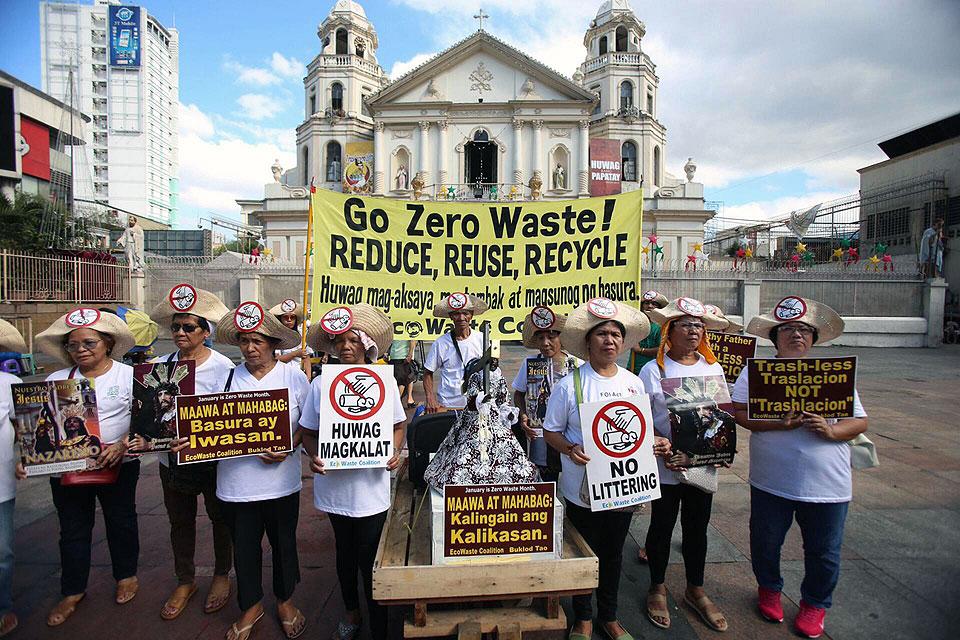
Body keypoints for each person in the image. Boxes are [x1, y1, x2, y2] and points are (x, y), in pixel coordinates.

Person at [731, 296, 867, 639]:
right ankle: (769, 589)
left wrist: (832, 430)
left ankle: (816, 603)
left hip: (828, 483)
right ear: (775, 338)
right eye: (789, 329)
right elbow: (741, 414)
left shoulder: (833, 375)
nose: (797, 335)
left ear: (813, 339)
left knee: (824, 550)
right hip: (771, 479)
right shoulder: (755, 372)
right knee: (765, 541)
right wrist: (781, 424)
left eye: (805, 330)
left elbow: (860, 421)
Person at [542, 297, 671, 640]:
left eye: (616, 334)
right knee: (585, 552)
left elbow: (638, 432)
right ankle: (583, 617)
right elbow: (550, 432)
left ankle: (609, 616)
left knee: (613, 554)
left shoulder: (633, 383)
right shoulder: (570, 385)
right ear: (588, 341)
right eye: (602, 334)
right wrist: (569, 448)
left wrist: (656, 443)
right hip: (582, 489)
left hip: (622, 488)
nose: (610, 340)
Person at [201, 305, 310, 640]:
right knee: (244, 548)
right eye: (244, 341)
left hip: (281, 483)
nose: (250, 347)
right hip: (237, 485)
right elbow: (206, 425)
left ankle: (285, 600)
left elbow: (308, 423)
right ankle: (250, 604)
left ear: (273, 343)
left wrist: (289, 446)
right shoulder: (227, 377)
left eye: (257, 341)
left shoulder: (294, 377)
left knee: (284, 544)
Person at [299, 304, 406, 640]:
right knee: (344, 555)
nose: (345, 347)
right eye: (339, 342)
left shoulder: (384, 383)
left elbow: (398, 425)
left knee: (371, 558)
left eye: (352, 341)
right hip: (335, 489)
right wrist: (314, 456)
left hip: (371, 488)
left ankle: (378, 621)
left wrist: (394, 451)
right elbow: (308, 432)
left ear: (365, 345)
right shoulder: (320, 385)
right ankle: (351, 611)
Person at [34, 308, 139, 627]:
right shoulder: (56, 380)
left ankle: (126, 575)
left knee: (120, 521)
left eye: (89, 343)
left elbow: (146, 421)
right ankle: (72, 590)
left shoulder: (129, 376)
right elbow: (43, 428)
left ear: (107, 343)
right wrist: (34, 456)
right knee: (73, 529)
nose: (81, 350)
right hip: (68, 468)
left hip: (119, 464)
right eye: (73, 345)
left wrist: (121, 445)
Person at [637, 297, 729, 632]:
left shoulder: (711, 367)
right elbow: (642, 418)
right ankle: (657, 586)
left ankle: (695, 588)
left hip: (703, 465)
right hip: (666, 465)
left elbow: (720, 416)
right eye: (686, 325)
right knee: (661, 526)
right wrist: (658, 443)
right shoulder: (654, 370)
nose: (694, 331)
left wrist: (723, 450)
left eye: (698, 325)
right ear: (669, 331)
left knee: (697, 527)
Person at [146, 285, 234, 621]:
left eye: (189, 327)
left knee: (220, 519)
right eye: (176, 327)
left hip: (211, 462)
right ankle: (185, 579)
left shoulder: (225, 367)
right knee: (179, 521)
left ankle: (222, 574)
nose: (180, 333)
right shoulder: (158, 366)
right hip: (171, 462)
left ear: (205, 332)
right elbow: (147, 413)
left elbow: (228, 417)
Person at [512, 306, 578, 482]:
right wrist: (523, 415)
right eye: (540, 338)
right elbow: (519, 394)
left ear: (561, 337)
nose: (545, 342)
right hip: (540, 433)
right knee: (545, 478)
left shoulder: (577, 364)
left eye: (551, 337)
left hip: (570, 432)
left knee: (572, 474)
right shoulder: (530, 363)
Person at [0, 320, 27, 637]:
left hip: (2, 487)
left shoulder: (8, 383)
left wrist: (27, 459)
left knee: (3, 554)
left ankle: (3, 605)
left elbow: (26, 430)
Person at [423, 293, 487, 413]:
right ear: (451, 316)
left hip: (476, 405)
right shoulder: (441, 343)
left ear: (471, 315)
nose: (461, 318)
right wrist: (430, 398)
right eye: (457, 314)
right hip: (448, 405)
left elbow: (491, 372)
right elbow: (427, 373)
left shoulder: (482, 339)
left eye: (465, 313)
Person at [628, 290, 668, 375]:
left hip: (652, 371)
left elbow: (662, 350)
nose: (649, 306)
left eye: (654, 304)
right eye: (646, 303)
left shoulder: (661, 327)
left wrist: (640, 350)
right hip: (633, 369)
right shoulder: (636, 325)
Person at [269, 300, 314, 368]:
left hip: (298, 373)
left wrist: (308, 377)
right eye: (286, 317)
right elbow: (277, 359)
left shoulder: (302, 335)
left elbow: (306, 359)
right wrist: (295, 354)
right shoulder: (277, 336)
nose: (289, 320)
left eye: (292, 317)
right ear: (281, 319)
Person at [387, 338, 418, 408]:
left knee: (401, 380)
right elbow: (413, 341)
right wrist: (410, 355)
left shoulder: (396, 329)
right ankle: (398, 403)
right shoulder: (408, 329)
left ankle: (397, 402)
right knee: (403, 380)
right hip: (401, 356)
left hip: (397, 356)